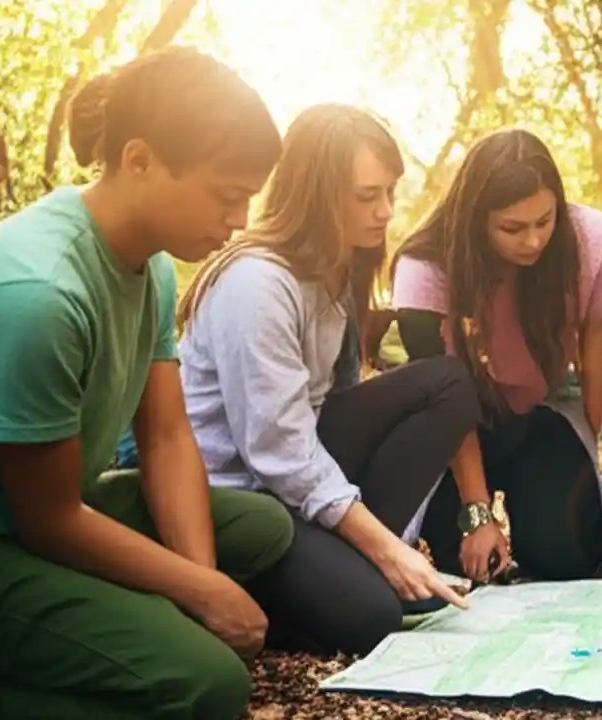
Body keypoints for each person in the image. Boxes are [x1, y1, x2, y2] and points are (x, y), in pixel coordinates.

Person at [0, 48, 292, 719]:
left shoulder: (153, 263)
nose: (237, 221)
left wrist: (199, 582)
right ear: (139, 160)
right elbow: (50, 522)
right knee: (209, 685)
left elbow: (167, 437)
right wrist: (204, 599)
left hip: (45, 509)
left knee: (259, 527)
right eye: (226, 196)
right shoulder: (39, 295)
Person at [176, 104, 476, 657]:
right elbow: (278, 453)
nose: (386, 211)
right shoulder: (258, 285)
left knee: (450, 384)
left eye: (390, 192)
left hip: (295, 474)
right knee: (372, 618)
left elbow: (338, 406)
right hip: (241, 497)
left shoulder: (340, 271)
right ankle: (294, 593)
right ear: (316, 194)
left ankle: (345, 572)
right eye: (368, 196)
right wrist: (388, 550)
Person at [391, 129, 602, 583]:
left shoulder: (595, 242)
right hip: (458, 427)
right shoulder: (425, 269)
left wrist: (587, 471)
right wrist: (477, 515)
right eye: (512, 228)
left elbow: (594, 370)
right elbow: (446, 401)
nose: (533, 241)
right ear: (475, 221)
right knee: (466, 564)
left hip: (540, 413)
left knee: (567, 560)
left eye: (544, 221)